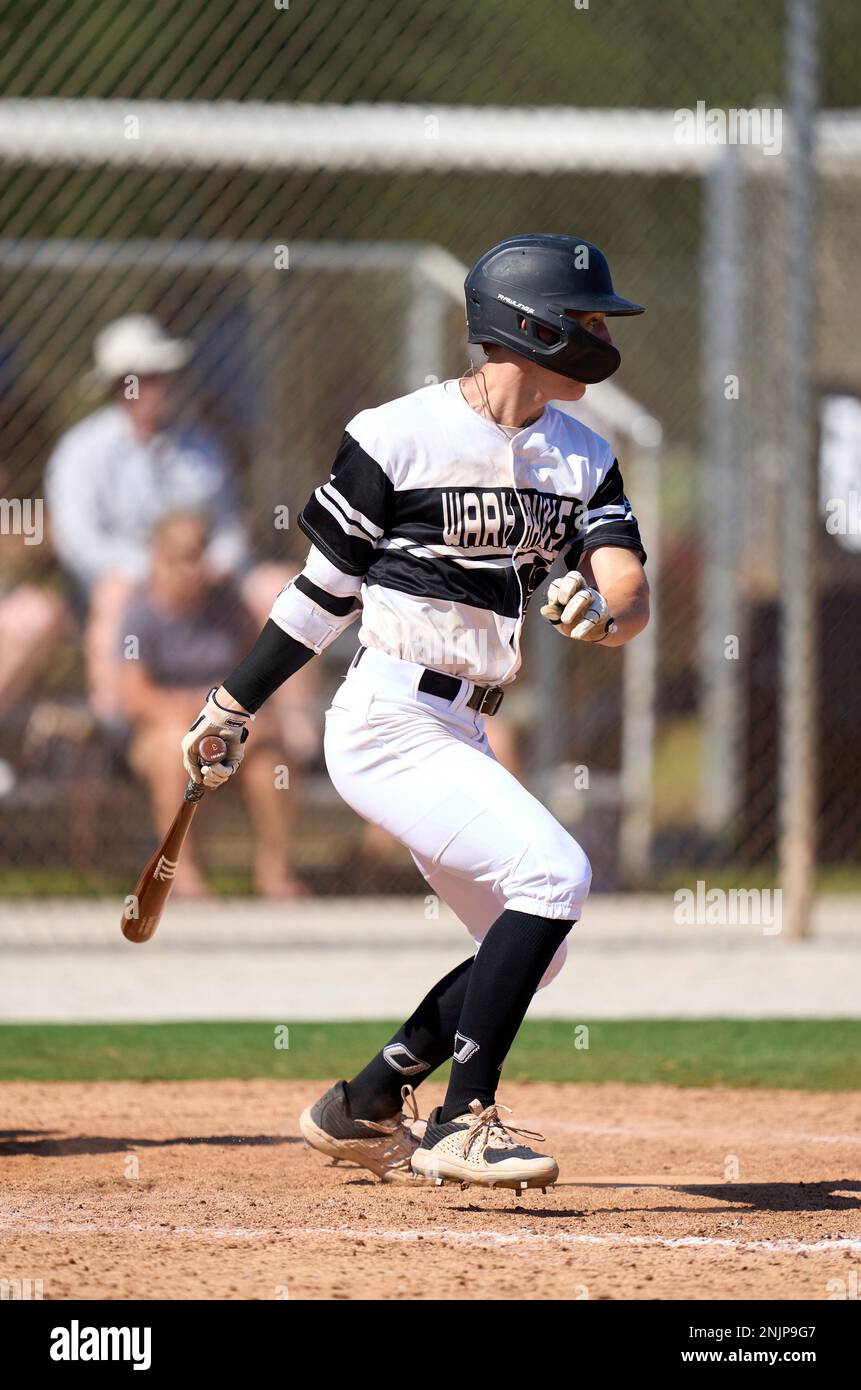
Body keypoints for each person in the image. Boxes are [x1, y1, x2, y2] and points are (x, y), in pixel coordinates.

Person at [180, 234, 650, 1191]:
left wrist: (603, 612)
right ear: (529, 326)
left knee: (532, 952)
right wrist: (231, 706)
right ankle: (462, 1120)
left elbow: (627, 586)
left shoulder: (581, 453)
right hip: (387, 718)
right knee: (555, 873)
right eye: (587, 316)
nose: (603, 334)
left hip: (465, 725)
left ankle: (363, 1102)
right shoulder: (396, 434)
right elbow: (321, 598)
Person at [44, 316, 263, 731]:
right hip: (123, 588)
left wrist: (209, 566)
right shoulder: (81, 451)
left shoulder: (203, 444)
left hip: (204, 586)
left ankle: (291, 740)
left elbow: (231, 527)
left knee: (273, 589)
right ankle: (119, 733)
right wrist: (157, 574)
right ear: (116, 386)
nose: (155, 386)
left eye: (161, 375)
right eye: (141, 377)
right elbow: (78, 541)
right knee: (117, 594)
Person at [119, 511, 309, 898]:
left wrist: (232, 725)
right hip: (163, 733)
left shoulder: (229, 609)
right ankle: (180, 874)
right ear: (159, 558)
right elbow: (135, 698)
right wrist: (198, 715)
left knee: (270, 760)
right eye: (182, 557)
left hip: (227, 733)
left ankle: (274, 872)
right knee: (174, 743)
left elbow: (259, 681)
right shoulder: (141, 611)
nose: (193, 567)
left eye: (199, 554)